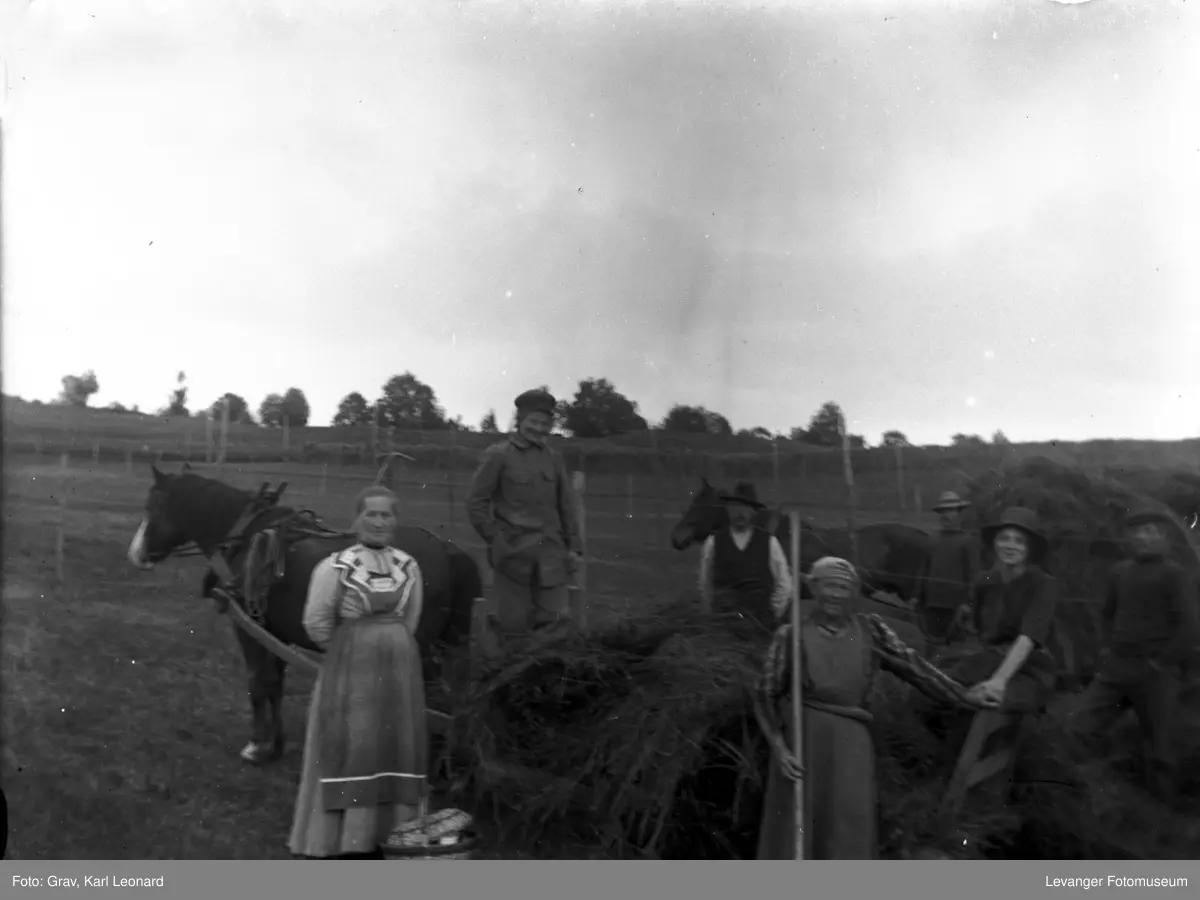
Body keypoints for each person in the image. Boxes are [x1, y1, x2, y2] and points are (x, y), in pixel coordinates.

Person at [754, 557, 989, 859]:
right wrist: (779, 747)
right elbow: (765, 692)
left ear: (854, 593)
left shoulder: (871, 630)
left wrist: (962, 695)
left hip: (852, 742)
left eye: (844, 587)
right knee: (797, 826)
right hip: (804, 741)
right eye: (828, 586)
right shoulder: (790, 635)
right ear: (813, 588)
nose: (836, 594)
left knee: (850, 819)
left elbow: (914, 666)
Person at [288, 485, 427, 860]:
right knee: (351, 744)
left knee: (394, 744)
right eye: (371, 514)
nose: (379, 522)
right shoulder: (335, 566)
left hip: (399, 669)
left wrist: (390, 646)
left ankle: (390, 831)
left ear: (395, 521)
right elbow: (316, 622)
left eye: (386, 515)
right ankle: (343, 837)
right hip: (351, 667)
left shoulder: (408, 565)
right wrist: (349, 653)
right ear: (357, 519)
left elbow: (410, 618)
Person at [1065, 505, 1200, 802]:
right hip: (1117, 667)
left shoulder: (1175, 576)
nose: (1144, 538)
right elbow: (1107, 613)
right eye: (1138, 532)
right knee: (1079, 725)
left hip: (1154, 672)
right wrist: (1106, 648)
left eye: (1152, 532)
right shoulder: (1120, 571)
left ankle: (1160, 817)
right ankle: (1083, 790)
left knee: (1160, 748)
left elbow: (1189, 627)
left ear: (1165, 539)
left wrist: (1159, 662)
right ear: (1129, 538)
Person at [466, 389, 583, 641]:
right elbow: (476, 502)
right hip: (513, 559)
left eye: (545, 423)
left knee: (552, 629)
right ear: (520, 420)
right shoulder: (499, 454)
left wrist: (574, 547)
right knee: (511, 628)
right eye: (533, 422)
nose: (540, 429)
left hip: (551, 558)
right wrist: (496, 540)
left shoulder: (553, 459)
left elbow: (567, 505)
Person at [697, 481, 792, 632]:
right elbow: (705, 583)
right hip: (723, 625)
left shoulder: (769, 542)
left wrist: (771, 613)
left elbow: (784, 584)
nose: (740, 513)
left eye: (746, 508)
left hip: (759, 626)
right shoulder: (713, 542)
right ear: (728, 510)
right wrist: (711, 613)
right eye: (736, 507)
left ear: (753, 512)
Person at [915, 491, 981, 656]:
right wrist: (916, 595)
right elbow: (924, 568)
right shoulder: (932, 539)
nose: (946, 515)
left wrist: (969, 602)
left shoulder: (967, 541)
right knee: (931, 642)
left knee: (955, 648)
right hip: (932, 602)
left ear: (959, 514)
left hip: (956, 605)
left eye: (951, 511)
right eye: (943, 511)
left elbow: (974, 575)